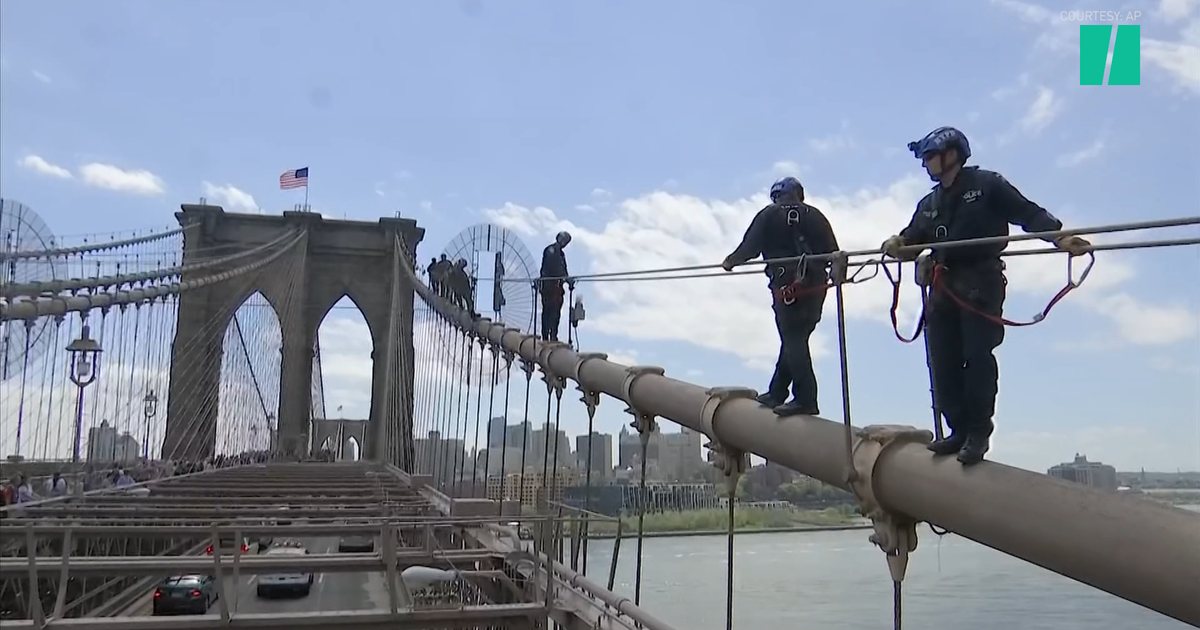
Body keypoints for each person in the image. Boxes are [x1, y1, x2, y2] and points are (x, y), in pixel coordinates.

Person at [880, 126, 1091, 465]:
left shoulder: (988, 185)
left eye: (930, 156)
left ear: (952, 155)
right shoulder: (929, 203)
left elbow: (1028, 213)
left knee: (977, 359)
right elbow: (913, 238)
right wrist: (898, 245)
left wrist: (1059, 237)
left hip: (980, 281)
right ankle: (958, 431)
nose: (925, 164)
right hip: (943, 287)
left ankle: (978, 433)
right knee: (943, 363)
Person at [722, 176, 839, 417]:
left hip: (787, 289)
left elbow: (750, 248)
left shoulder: (769, 215)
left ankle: (806, 398)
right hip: (816, 289)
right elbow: (832, 253)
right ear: (799, 194)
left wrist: (730, 261)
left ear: (776, 196)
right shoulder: (815, 216)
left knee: (793, 340)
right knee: (795, 339)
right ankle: (777, 391)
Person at [538, 231, 574, 341]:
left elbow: (563, 270)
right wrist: (565, 278)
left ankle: (553, 334)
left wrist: (568, 280)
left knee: (556, 312)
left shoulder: (561, 254)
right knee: (548, 311)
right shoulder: (551, 251)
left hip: (557, 288)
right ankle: (546, 335)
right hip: (549, 287)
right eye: (565, 240)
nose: (565, 243)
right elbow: (555, 268)